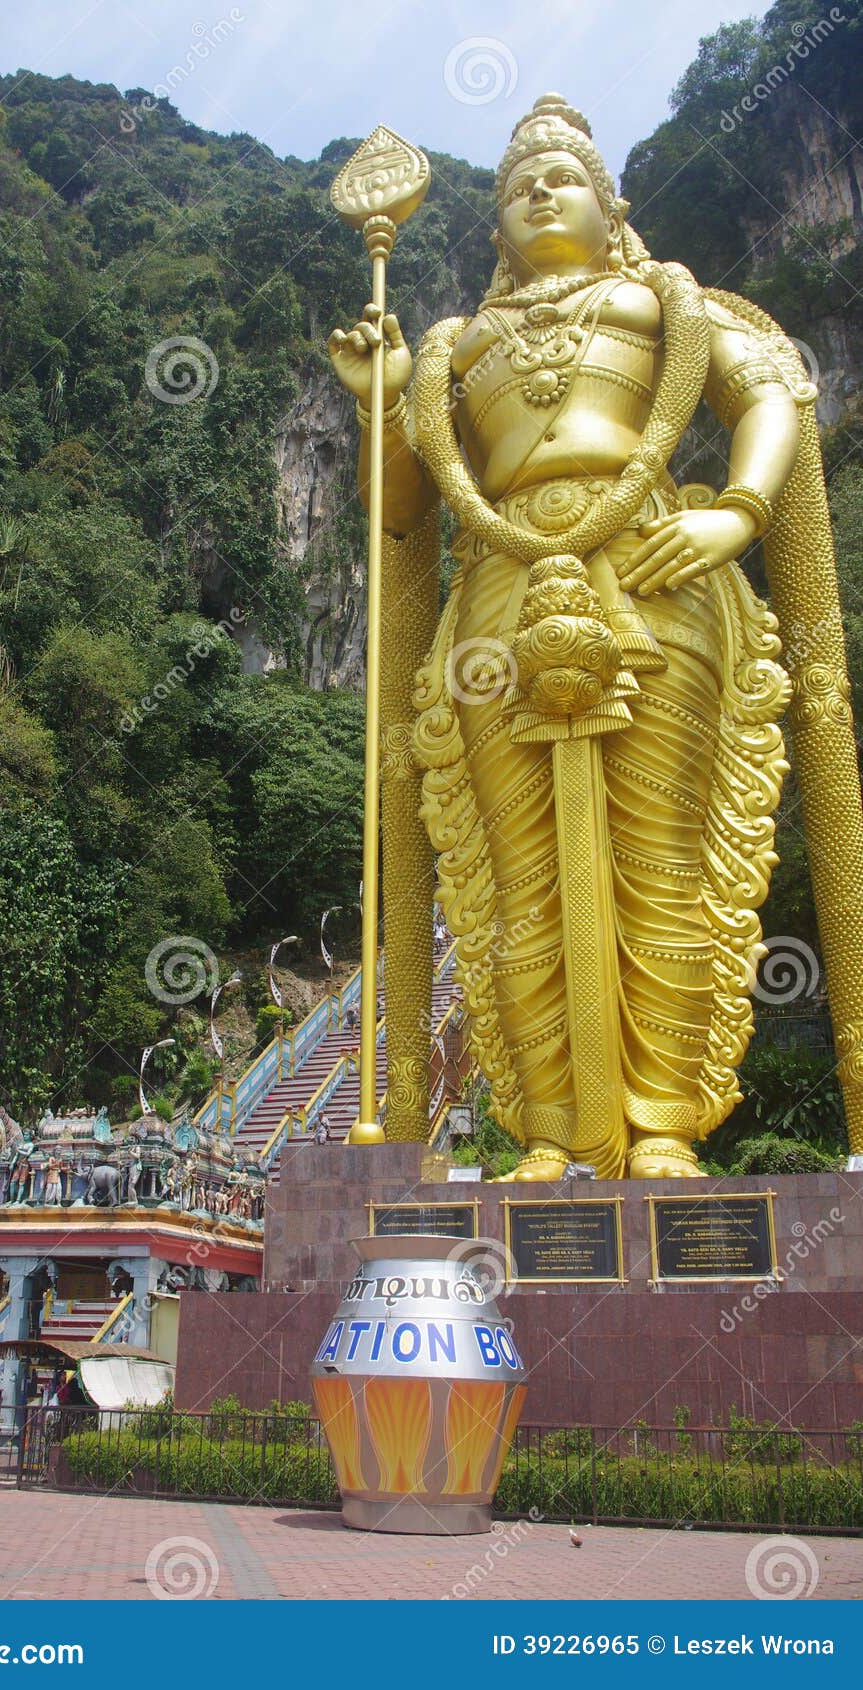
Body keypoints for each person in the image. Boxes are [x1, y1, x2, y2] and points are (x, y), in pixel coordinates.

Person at [328, 92, 828, 1179]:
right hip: (498, 599)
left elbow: (769, 396)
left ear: (612, 207)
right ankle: (551, 1129)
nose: (539, 194)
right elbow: (403, 510)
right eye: (518, 187)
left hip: (651, 571)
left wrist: (737, 509)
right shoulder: (455, 347)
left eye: (562, 179)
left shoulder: (662, 300)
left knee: (661, 858)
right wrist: (380, 405)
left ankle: (663, 1125)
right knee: (518, 882)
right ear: (496, 230)